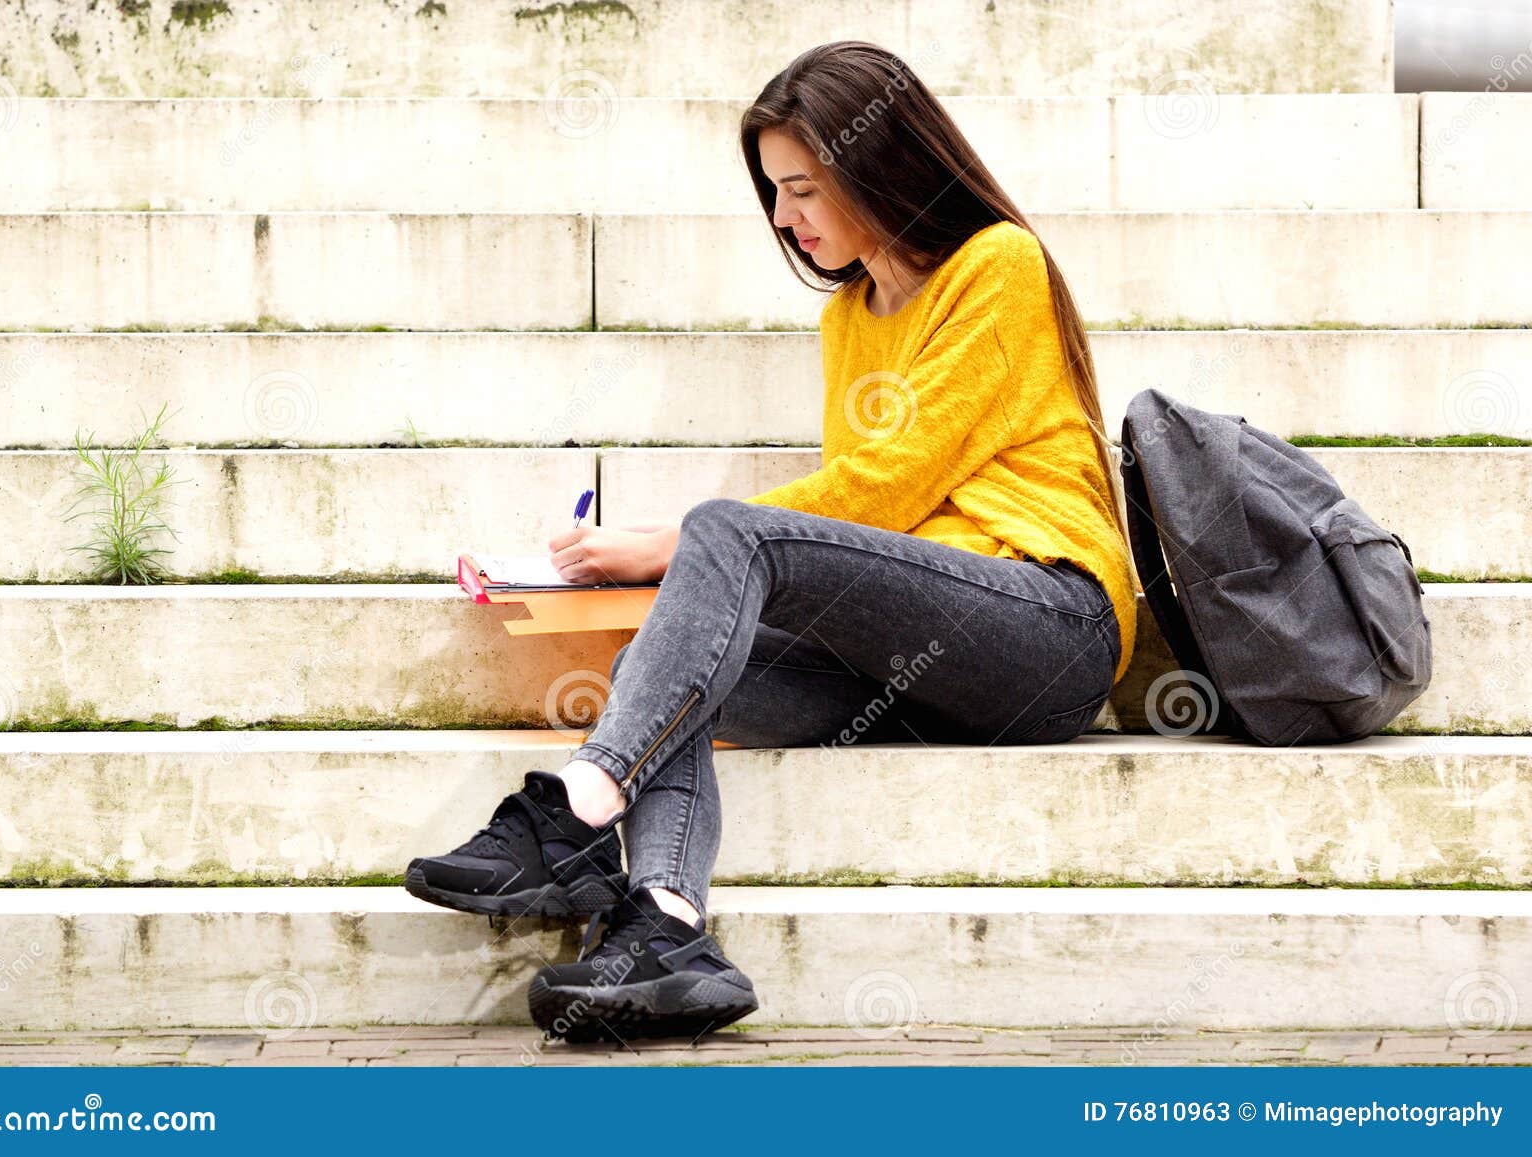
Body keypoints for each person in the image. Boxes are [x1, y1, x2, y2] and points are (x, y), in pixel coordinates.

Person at [405, 40, 1139, 1043]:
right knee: (662, 671)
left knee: (724, 536)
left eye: (801, 188)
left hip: (1045, 630)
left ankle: (575, 807)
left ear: (877, 164)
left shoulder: (996, 264)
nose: (785, 219)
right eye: (773, 194)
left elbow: (883, 489)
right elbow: (866, 516)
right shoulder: (850, 316)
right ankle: (669, 928)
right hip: (916, 664)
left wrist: (671, 543)